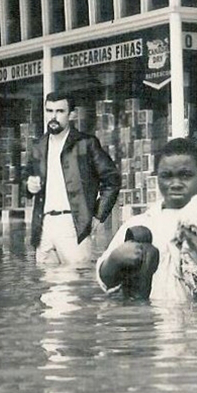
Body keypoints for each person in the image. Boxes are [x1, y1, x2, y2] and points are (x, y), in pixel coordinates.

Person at [96, 137, 197, 299]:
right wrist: (115, 260)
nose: (175, 184)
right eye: (167, 176)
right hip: (154, 313)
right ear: (157, 177)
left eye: (185, 175)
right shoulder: (140, 223)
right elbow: (106, 283)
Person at [27, 91, 120, 265]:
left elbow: (112, 179)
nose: (53, 116)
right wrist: (29, 185)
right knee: (46, 280)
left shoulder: (86, 143)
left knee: (76, 278)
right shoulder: (38, 146)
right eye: (49, 111)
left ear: (71, 115)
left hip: (73, 223)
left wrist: (98, 215)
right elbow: (26, 178)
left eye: (60, 111)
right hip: (43, 225)